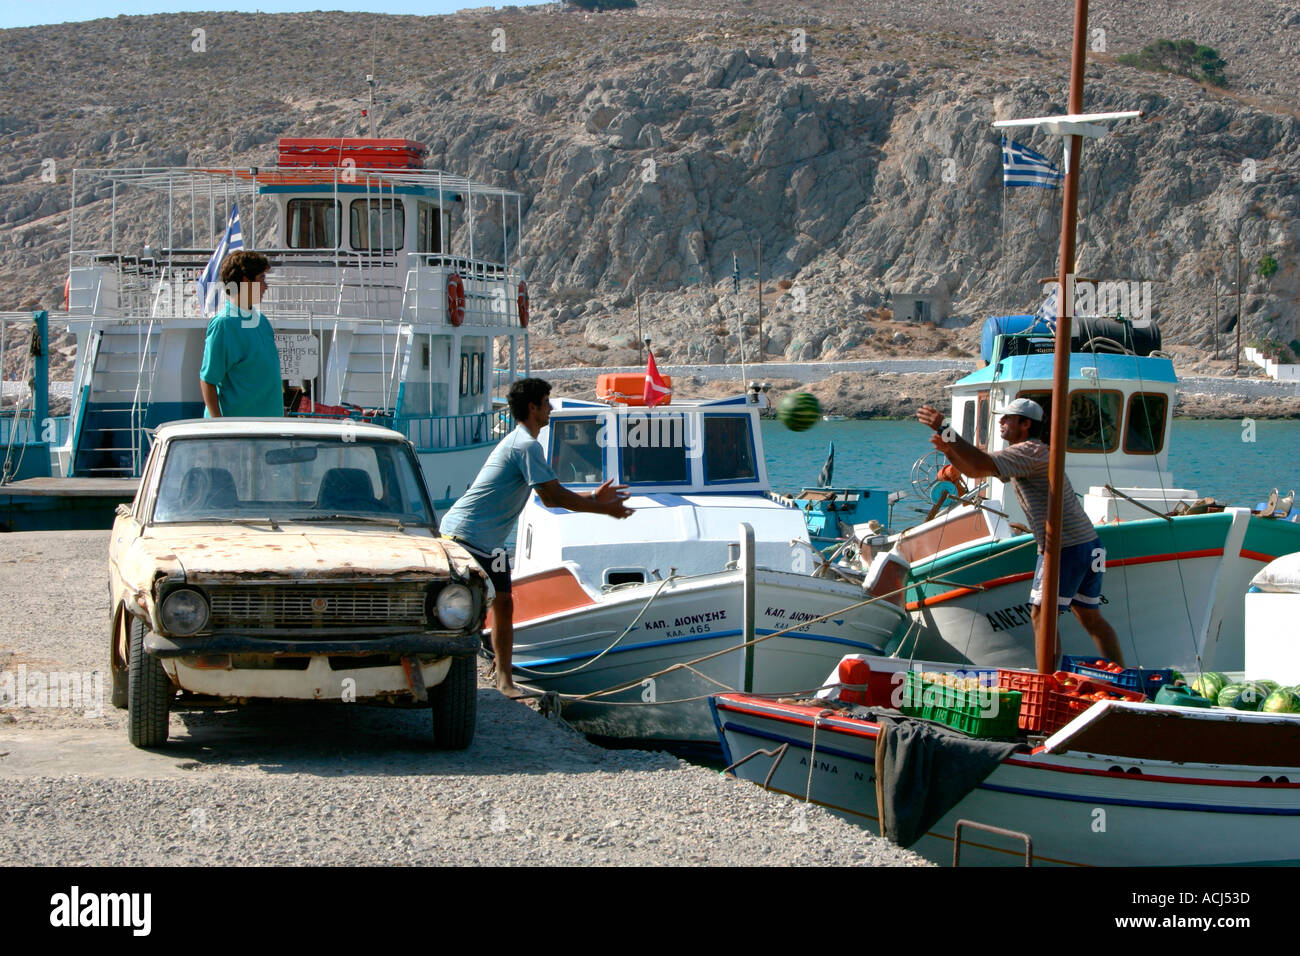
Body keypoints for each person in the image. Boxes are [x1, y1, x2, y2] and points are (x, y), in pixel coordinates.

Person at [439, 377, 634, 697]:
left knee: (503, 603)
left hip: (488, 543)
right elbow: (553, 498)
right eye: (546, 402)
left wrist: (591, 496)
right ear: (533, 407)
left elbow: (550, 492)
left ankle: (504, 681)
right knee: (469, 608)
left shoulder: (524, 442)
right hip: (466, 536)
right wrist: (605, 510)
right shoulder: (525, 445)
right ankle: (460, 679)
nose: (551, 408)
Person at [915, 398, 1124, 667]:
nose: (1001, 422)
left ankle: (1046, 681)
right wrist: (950, 452)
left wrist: (945, 427)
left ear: (1025, 425)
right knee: (1089, 616)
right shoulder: (1030, 453)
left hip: (1064, 546)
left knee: (1040, 615)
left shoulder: (1028, 452)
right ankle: (1123, 674)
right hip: (1088, 542)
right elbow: (976, 469)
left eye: (1007, 418)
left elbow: (980, 462)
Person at [199, 250, 283, 418]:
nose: (266, 286)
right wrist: (219, 428)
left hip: (269, 432)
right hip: (238, 436)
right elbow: (208, 380)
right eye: (261, 279)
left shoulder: (262, 321)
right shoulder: (224, 324)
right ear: (246, 281)